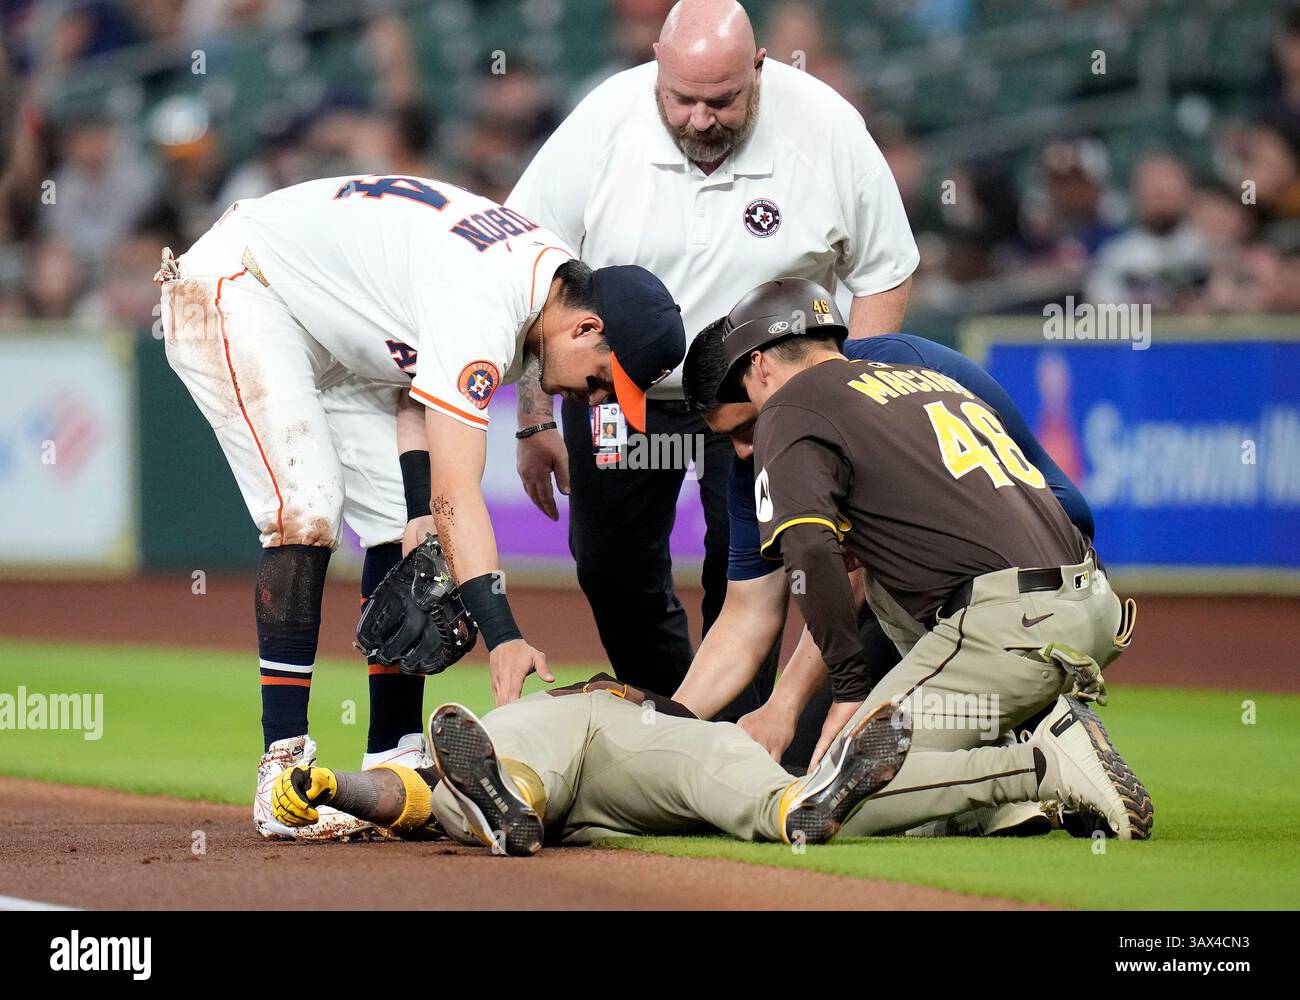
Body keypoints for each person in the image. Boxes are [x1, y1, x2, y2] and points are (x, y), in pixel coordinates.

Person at [158, 174, 684, 838]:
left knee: (396, 523)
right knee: (307, 505)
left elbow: (415, 386)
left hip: (332, 324)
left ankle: (393, 756)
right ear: (585, 326)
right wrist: (505, 637)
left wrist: (419, 510)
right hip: (241, 286)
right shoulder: (488, 301)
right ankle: (282, 772)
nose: (599, 399)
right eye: (606, 379)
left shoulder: (538, 281)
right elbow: (457, 492)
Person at [507, 0, 918, 713]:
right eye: (683, 99)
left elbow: (884, 270)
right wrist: (534, 414)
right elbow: (528, 264)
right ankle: (680, 723)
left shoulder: (826, 128)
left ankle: (743, 737)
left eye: (723, 100)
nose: (702, 119)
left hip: (762, 401)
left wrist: (847, 412)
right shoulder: (605, 118)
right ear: (656, 73)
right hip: (621, 394)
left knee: (749, 571)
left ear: (759, 69)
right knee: (610, 571)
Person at [714, 277, 1151, 839]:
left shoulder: (792, 404)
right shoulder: (916, 377)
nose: (748, 430)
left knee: (832, 803)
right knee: (875, 575)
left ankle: (1040, 764)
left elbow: (810, 552)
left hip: (1010, 623)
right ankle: (995, 796)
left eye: (744, 396)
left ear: (760, 364)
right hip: (1092, 606)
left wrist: (848, 692)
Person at [674, 310, 1095, 787]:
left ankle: (1040, 744)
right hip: (991, 582)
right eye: (729, 438)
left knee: (849, 772)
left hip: (1027, 552)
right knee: (807, 754)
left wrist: (786, 703)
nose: (746, 450)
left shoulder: (884, 372)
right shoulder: (769, 449)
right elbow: (747, 616)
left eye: (748, 428)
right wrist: (670, 727)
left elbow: (846, 574)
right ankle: (1027, 759)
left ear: (761, 371)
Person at [267, 679, 913, 854]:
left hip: (619, 728)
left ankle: (798, 806)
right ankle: (505, 805)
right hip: (553, 726)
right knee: (453, 791)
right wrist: (336, 790)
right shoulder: (501, 730)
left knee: (716, 750)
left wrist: (335, 793)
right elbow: (410, 789)